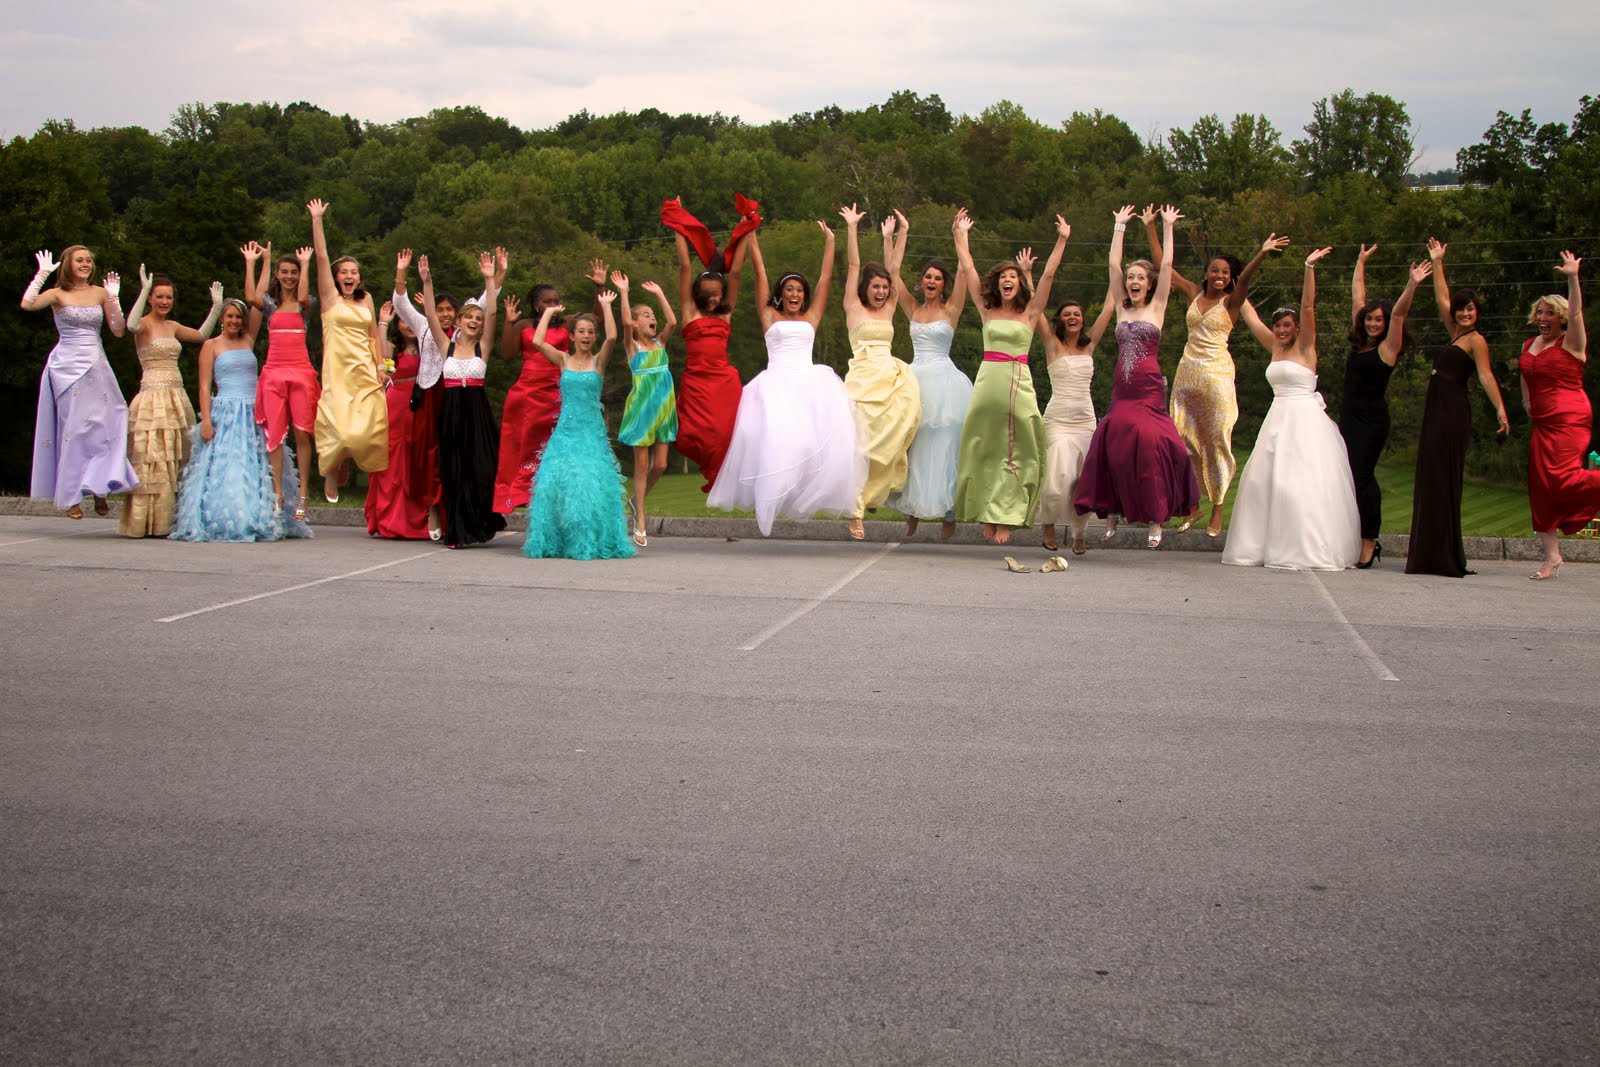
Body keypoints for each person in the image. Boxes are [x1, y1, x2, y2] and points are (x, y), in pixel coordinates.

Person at [707, 228, 864, 536]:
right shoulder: (769, 315)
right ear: (782, 294)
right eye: (790, 290)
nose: (795, 294)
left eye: (799, 290)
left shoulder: (812, 317)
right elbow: (761, 273)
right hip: (776, 386)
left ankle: (808, 494)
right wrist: (751, 240)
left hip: (810, 385)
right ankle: (772, 499)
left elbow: (825, 279)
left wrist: (831, 241)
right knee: (777, 444)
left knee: (814, 444)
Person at [1144, 209, 1290, 536]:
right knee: (1181, 442)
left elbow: (1247, 279)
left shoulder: (1232, 302)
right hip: (1187, 377)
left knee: (1217, 440)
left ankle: (1218, 509)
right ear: (1206, 274)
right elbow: (1162, 266)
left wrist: (1262, 254)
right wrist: (1151, 226)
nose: (1220, 275)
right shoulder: (1192, 294)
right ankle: (1193, 506)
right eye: (1215, 270)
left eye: (1225, 271)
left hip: (1217, 377)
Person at [1221, 248, 1360, 570]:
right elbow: (1248, 313)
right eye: (1278, 326)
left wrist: (1309, 267)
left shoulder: (1306, 347)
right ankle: (1260, 546)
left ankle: (1304, 547)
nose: (1281, 330)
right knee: (1264, 483)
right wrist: (1236, 284)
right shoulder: (1274, 346)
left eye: (1286, 325)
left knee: (1299, 482)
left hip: (1304, 421)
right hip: (1277, 418)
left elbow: (1309, 306)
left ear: (1296, 327)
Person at [1074, 206, 1200, 549]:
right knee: (1114, 445)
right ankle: (1113, 513)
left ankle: (1156, 519)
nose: (1133, 281)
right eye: (1131, 277)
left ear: (1149, 284)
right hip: (1123, 390)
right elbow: (1112, 266)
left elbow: (1168, 267)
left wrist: (1168, 227)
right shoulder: (1120, 305)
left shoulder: (1157, 306)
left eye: (1140, 278)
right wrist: (1118, 226)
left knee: (1156, 447)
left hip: (1149, 390)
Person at [950, 211, 1071, 544]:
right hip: (988, 384)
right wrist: (960, 235)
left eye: (1013, 277)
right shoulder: (987, 309)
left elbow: (1047, 276)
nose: (1007, 280)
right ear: (997, 283)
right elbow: (970, 268)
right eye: (1003, 276)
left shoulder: (1030, 313)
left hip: (1017, 384)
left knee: (1017, 452)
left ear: (1019, 285)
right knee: (984, 448)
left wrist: (1062, 239)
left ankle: (1008, 515)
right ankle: (989, 510)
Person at [1405, 238, 1510, 578]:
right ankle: (1430, 554)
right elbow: (1441, 298)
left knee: (1444, 477)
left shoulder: (1476, 340)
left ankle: (1446, 556)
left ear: (1477, 313)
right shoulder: (1454, 333)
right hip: (1437, 410)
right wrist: (1437, 262)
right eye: (1461, 309)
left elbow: (1485, 375)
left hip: (1452, 413)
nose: (1464, 313)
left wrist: (1500, 409)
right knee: (1430, 477)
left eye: (1470, 310)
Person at [170, 299, 313, 542]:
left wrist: (260, 262)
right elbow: (204, 387)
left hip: (255, 410)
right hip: (226, 413)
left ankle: (270, 514)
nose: (234, 321)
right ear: (222, 320)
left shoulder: (248, 340)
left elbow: (257, 299)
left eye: (238, 317)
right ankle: (232, 518)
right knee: (231, 467)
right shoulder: (211, 346)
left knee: (260, 465)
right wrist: (206, 421)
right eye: (229, 316)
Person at [21, 246, 137, 518]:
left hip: (96, 363)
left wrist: (115, 299)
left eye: (88, 260)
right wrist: (41, 275)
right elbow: (27, 304)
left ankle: (100, 488)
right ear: (68, 265)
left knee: (107, 422)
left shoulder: (99, 292)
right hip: (67, 366)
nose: (85, 264)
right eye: (79, 260)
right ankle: (71, 495)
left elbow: (118, 331)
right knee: (74, 429)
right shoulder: (57, 293)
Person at [521, 293, 636, 560]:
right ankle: (553, 540)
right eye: (581, 331)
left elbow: (612, 338)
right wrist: (549, 314)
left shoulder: (599, 361)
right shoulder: (563, 360)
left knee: (589, 486)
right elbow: (537, 341)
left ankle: (592, 539)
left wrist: (607, 307)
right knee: (552, 484)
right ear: (572, 336)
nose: (586, 335)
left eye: (590, 332)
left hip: (591, 434)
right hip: (564, 433)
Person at [883, 209, 974, 539]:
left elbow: (966, 270)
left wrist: (958, 234)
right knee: (914, 444)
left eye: (937, 278)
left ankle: (948, 511)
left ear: (943, 284)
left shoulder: (952, 309)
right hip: (915, 379)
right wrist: (897, 234)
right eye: (928, 277)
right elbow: (891, 274)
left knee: (945, 445)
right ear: (922, 281)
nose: (931, 281)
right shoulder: (913, 307)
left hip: (945, 384)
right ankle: (912, 510)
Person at [1341, 247, 1430, 568]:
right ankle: (1354, 535)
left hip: (1372, 422)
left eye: (1379, 319)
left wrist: (1412, 284)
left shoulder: (1388, 349)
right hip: (1348, 419)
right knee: (1348, 476)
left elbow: (1400, 314)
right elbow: (1357, 297)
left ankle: (1369, 541)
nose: (1373, 323)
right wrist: (1361, 262)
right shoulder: (1359, 343)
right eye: (1369, 318)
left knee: (1363, 476)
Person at [663, 195, 759, 492]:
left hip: (723, 381)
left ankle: (728, 475)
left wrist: (745, 229)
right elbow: (683, 266)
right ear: (698, 294)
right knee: (696, 432)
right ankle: (713, 470)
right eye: (708, 293)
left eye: (718, 293)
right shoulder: (690, 312)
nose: (714, 297)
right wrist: (679, 222)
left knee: (726, 431)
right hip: (697, 381)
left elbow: (739, 271)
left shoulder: (726, 314)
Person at [119, 267, 223, 536]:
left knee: (175, 458)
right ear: (152, 299)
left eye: (169, 298)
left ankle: (169, 520)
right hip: (151, 398)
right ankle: (145, 522)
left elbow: (201, 336)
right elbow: (129, 325)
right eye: (160, 297)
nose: (165, 302)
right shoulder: (142, 324)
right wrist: (142, 290)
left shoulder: (172, 326)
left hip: (176, 397)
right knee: (151, 459)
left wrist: (216, 307)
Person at [839, 204, 921, 539]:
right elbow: (855, 264)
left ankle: (874, 494)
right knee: (861, 447)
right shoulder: (853, 307)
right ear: (865, 289)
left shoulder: (888, 308)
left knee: (891, 440)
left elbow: (895, 267)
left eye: (885, 287)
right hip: (862, 382)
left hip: (889, 380)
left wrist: (904, 231)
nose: (882, 291)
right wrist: (852, 227)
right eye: (876, 287)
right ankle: (856, 512)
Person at [494, 268, 604, 514]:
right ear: (536, 304)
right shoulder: (524, 324)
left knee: (555, 448)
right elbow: (508, 354)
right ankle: (518, 494)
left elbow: (597, 319)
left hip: (556, 394)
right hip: (527, 394)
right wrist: (509, 321)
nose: (553, 305)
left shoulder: (568, 323)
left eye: (556, 301)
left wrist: (599, 287)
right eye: (547, 302)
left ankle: (556, 495)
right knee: (521, 446)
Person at [1518, 252, 1599, 579]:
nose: (1543, 316)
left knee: (1564, 479)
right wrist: (1527, 404)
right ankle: (1552, 557)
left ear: (1562, 318)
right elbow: (1526, 377)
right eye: (1540, 311)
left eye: (1550, 312)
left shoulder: (1571, 343)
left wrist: (1572, 277)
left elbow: (1578, 312)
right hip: (1543, 422)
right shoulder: (1529, 344)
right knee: (1540, 485)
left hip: (1570, 420)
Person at [419, 253, 506, 548]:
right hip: (453, 413)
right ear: (458, 321)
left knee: (481, 470)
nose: (475, 321)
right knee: (454, 472)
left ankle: (480, 523)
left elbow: (493, 314)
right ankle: (456, 531)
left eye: (477, 318)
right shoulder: (447, 346)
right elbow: (431, 315)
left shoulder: (484, 346)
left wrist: (489, 279)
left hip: (478, 414)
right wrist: (427, 281)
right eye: (469, 316)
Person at [307, 198, 388, 491]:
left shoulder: (365, 299)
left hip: (365, 369)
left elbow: (372, 336)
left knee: (367, 430)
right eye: (344, 272)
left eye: (354, 272)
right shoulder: (330, 299)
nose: (349, 276)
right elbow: (321, 257)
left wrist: (381, 366)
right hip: (338, 371)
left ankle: (347, 463)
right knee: (340, 429)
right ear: (336, 277)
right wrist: (317, 220)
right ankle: (333, 468)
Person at [243, 240, 319, 522]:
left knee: (302, 432)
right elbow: (251, 295)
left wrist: (307, 264)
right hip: (274, 371)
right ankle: (278, 491)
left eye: (293, 272)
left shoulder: (306, 305)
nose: (289, 276)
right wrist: (253, 262)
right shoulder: (271, 306)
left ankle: (303, 493)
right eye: (284, 272)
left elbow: (302, 299)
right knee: (274, 434)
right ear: (277, 274)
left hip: (299, 371)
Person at [1035, 292, 1113, 555]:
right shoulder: (1052, 344)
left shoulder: (1089, 345)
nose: (1072, 317)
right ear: (1060, 320)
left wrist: (1116, 282)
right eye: (1067, 314)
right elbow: (1036, 308)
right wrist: (1028, 276)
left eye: (1076, 314)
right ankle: (1047, 523)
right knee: (1059, 475)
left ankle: (1080, 533)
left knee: (1083, 480)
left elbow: (1107, 311)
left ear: (1082, 321)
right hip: (1058, 421)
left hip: (1085, 423)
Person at [612, 271, 678, 548]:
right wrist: (625, 293)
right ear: (637, 324)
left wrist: (660, 294)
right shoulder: (633, 346)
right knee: (641, 465)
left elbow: (673, 321)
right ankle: (640, 519)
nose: (652, 319)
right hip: (642, 410)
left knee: (660, 465)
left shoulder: (660, 343)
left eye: (653, 315)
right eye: (647, 315)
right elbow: (625, 322)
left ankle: (635, 500)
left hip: (665, 408)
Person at [364, 293, 430, 539]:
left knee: (415, 461)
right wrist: (382, 323)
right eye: (403, 321)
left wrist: (428, 310)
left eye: (412, 321)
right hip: (395, 405)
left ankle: (417, 518)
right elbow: (381, 359)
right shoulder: (393, 349)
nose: (408, 326)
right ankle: (389, 518)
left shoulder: (427, 346)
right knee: (393, 462)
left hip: (421, 405)